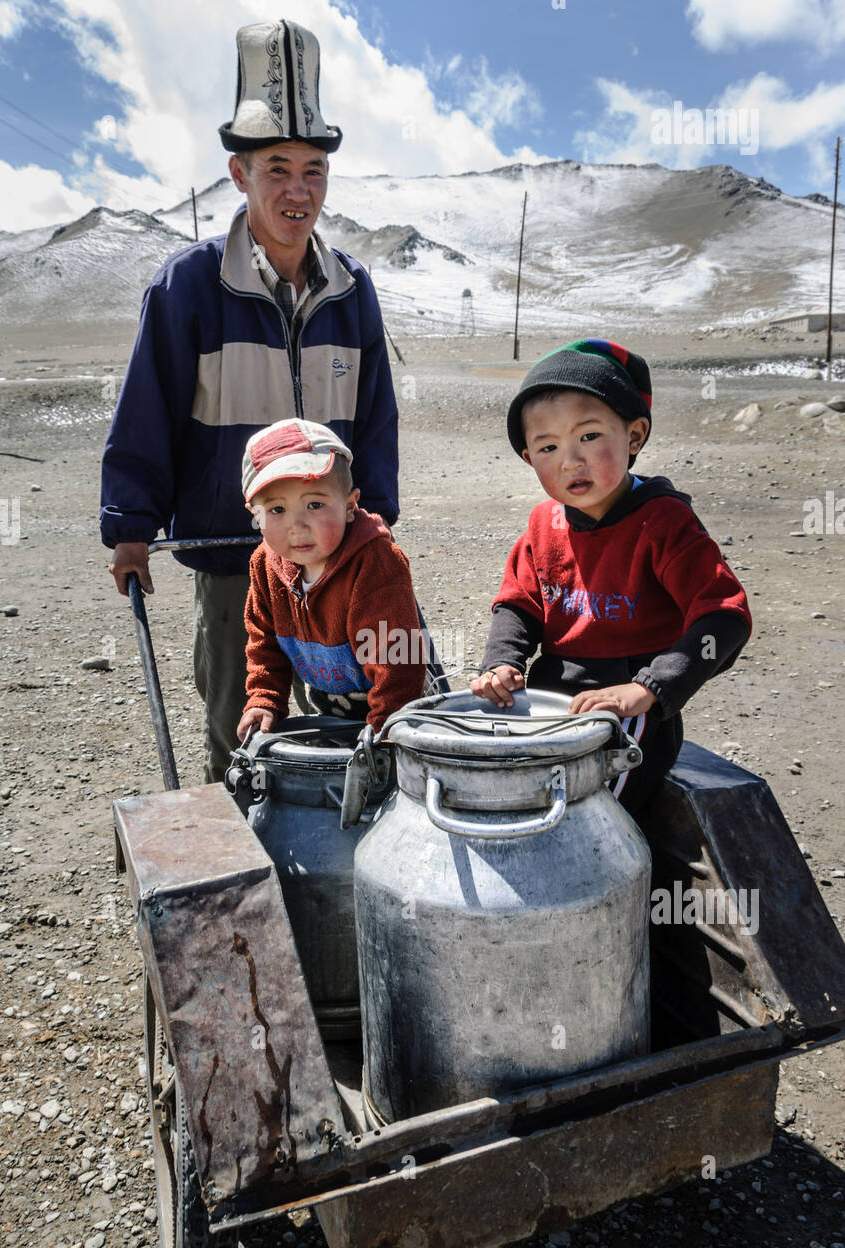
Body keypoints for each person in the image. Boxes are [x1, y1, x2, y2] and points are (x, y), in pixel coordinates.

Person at [100, 19, 399, 781]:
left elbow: (375, 414)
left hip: (342, 556)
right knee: (243, 727)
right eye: (276, 168)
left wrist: (378, 516)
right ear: (239, 173)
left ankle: (342, 870)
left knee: (360, 724)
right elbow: (148, 409)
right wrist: (131, 525)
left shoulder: (351, 289)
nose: (297, 191)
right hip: (235, 557)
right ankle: (241, 878)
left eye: (312, 170)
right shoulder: (189, 285)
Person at [470, 338, 752, 815]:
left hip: (630, 715)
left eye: (589, 436)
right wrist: (501, 663)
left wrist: (649, 689)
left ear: (634, 436)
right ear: (528, 458)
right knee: (488, 772)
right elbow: (519, 603)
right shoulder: (545, 524)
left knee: (587, 813)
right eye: (548, 446)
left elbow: (725, 616)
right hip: (551, 696)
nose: (569, 461)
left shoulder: (663, 522)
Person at [237, 418, 426, 736]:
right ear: (255, 514)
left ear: (350, 505)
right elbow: (263, 644)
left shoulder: (375, 564)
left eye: (314, 504)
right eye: (277, 510)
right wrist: (264, 699)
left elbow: (399, 664)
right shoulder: (265, 566)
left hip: (399, 713)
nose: (297, 526)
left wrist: (385, 734)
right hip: (330, 710)